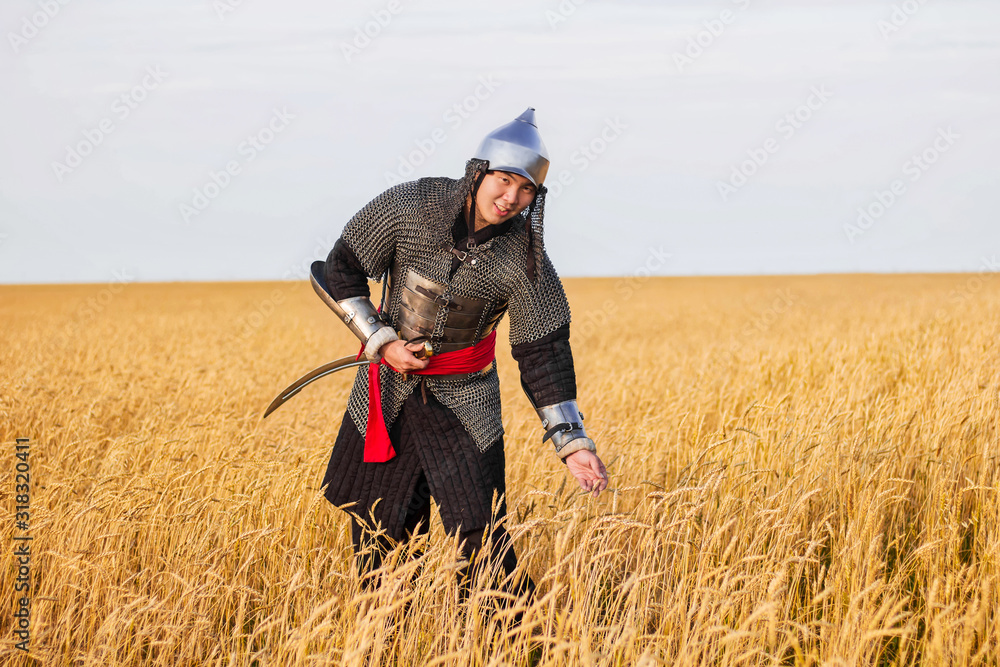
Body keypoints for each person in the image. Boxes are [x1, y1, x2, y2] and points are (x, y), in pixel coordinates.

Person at [317, 107, 609, 602]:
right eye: (502, 179)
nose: (510, 197)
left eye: (525, 189)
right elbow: (338, 269)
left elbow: (544, 352)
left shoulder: (525, 259)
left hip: (464, 405)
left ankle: (516, 644)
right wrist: (381, 340)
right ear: (479, 172)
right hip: (387, 396)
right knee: (378, 526)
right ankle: (387, 640)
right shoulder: (413, 206)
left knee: (480, 536)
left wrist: (572, 442)